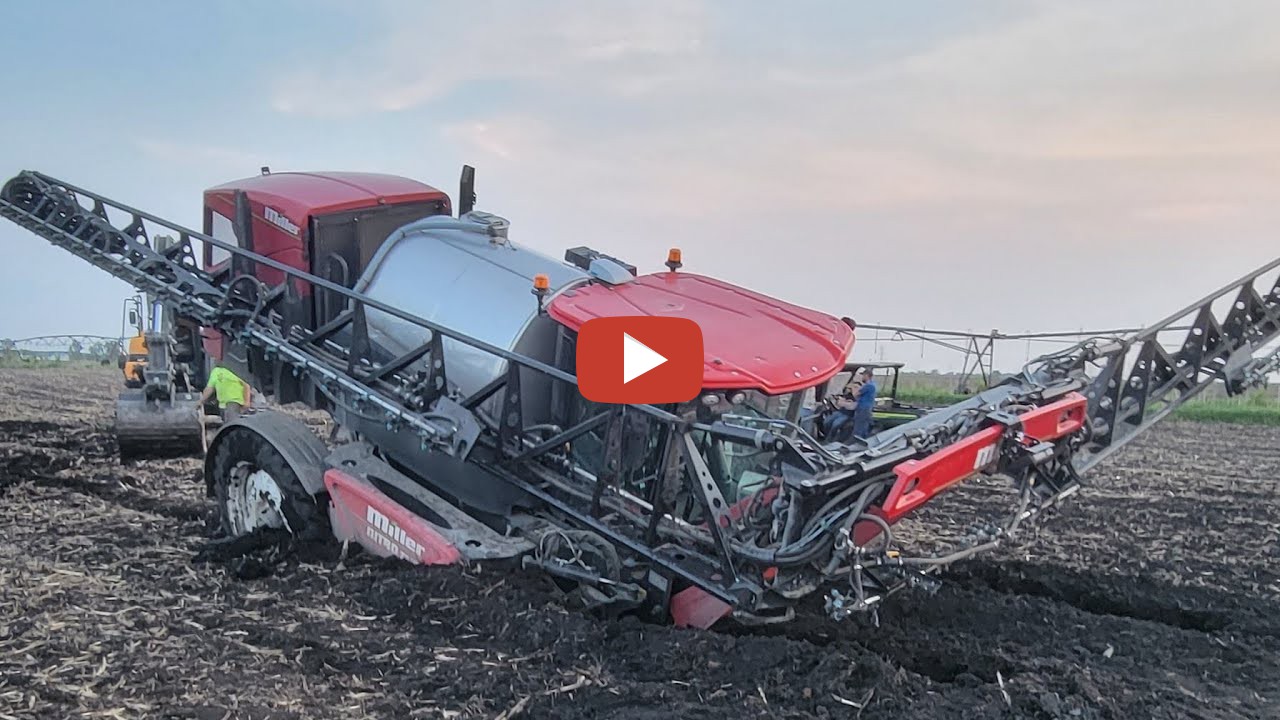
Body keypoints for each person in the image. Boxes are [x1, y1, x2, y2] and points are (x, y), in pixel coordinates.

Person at [850, 368, 878, 439]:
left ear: (867, 375)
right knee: (864, 426)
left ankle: (855, 442)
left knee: (858, 427)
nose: (862, 377)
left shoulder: (868, 386)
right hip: (868, 408)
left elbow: (855, 394)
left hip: (863, 408)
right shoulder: (873, 385)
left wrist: (852, 388)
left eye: (863, 375)